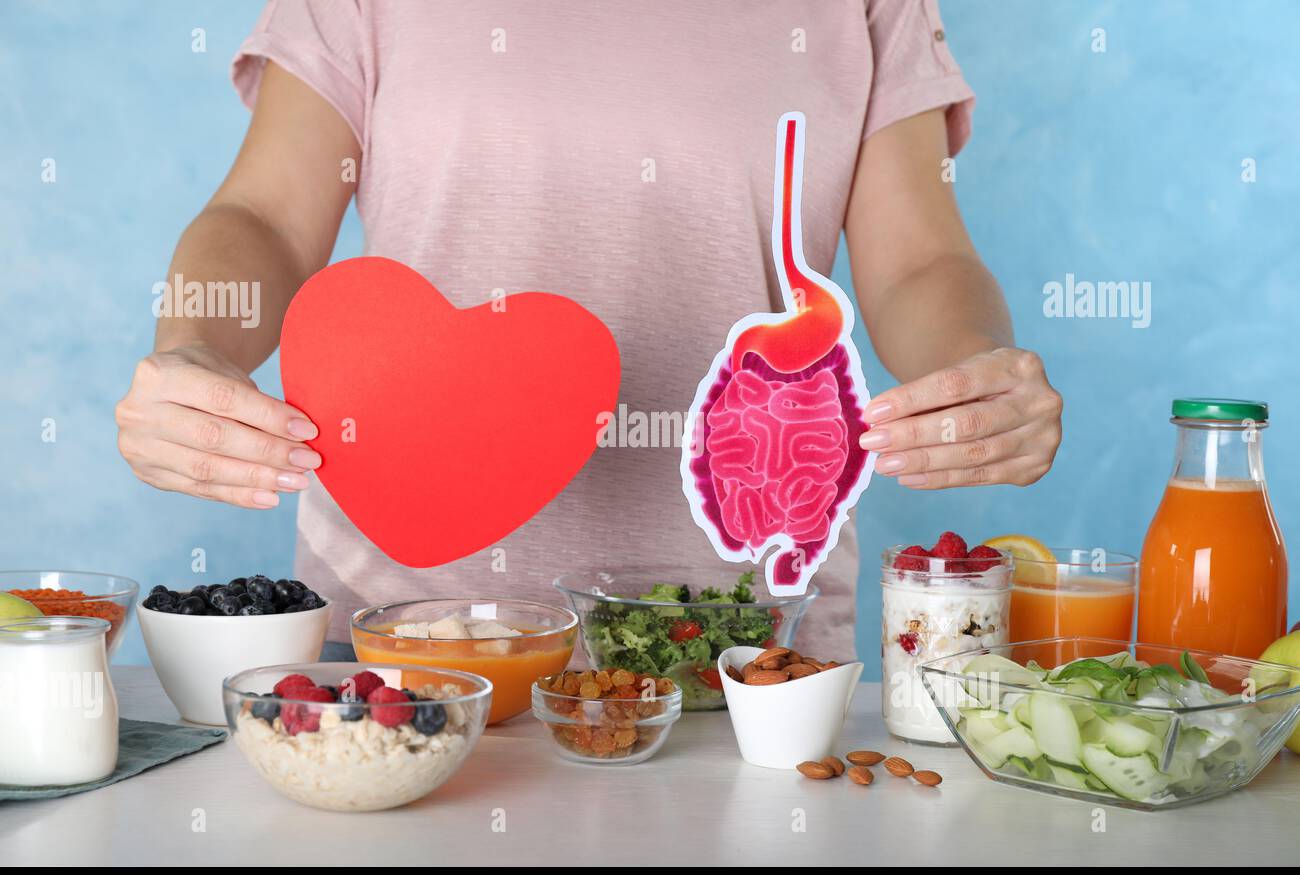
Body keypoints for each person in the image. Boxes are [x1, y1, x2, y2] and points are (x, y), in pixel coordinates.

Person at [115, 0, 1062, 663]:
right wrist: (195, 344)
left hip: (743, 646)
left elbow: (920, 263)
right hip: (409, 639)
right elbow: (268, 218)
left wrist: (975, 371)